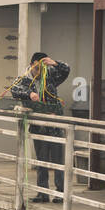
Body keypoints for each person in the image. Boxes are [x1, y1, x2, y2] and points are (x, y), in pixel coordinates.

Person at [10, 51, 71, 201]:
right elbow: (14, 89)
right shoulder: (24, 79)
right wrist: (29, 94)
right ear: (31, 65)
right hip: (38, 126)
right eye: (37, 68)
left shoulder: (50, 76)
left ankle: (60, 193)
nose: (40, 72)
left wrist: (55, 63)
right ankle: (42, 193)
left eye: (42, 68)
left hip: (54, 125)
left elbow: (66, 70)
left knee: (58, 160)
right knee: (41, 161)